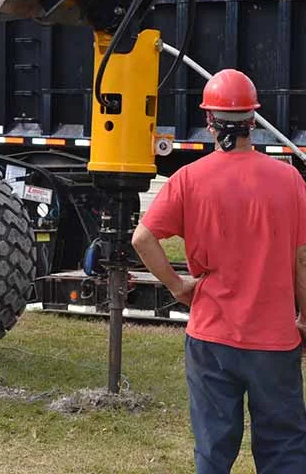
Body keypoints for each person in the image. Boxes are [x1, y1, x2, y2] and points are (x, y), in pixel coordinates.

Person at [131, 68, 306, 474]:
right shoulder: (289, 180)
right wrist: (303, 317)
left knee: (213, 447)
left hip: (211, 337)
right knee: (284, 447)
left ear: (209, 121)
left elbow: (142, 238)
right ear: (252, 121)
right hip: (275, 341)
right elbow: (301, 260)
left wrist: (178, 287)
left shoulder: (188, 179)